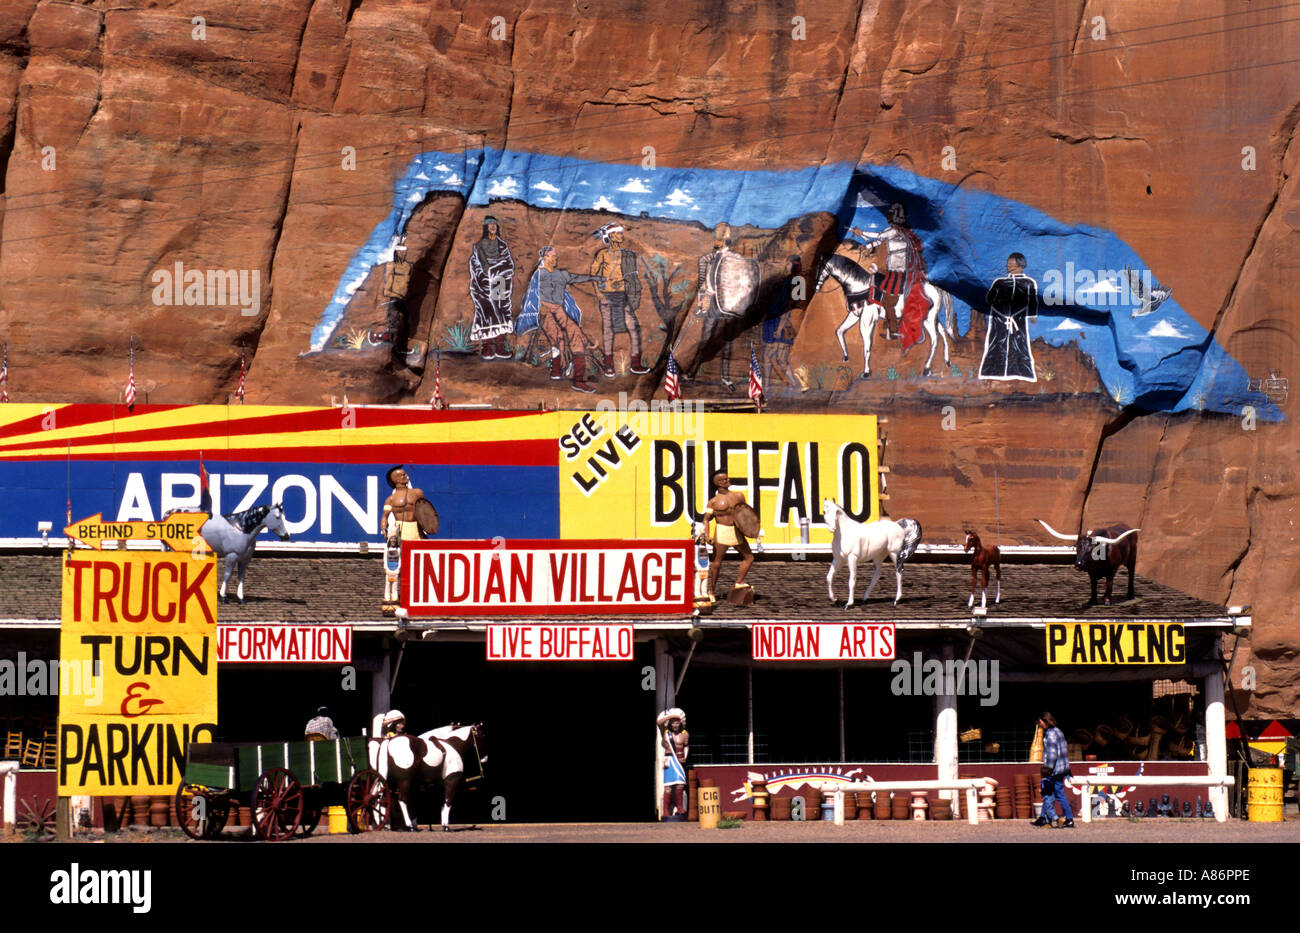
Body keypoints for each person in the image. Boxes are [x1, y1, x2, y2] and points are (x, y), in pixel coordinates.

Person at [517, 246, 603, 393]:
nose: (556, 258)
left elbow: (578, 277)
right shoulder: (538, 275)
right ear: (545, 258)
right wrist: (538, 307)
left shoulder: (561, 274)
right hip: (544, 310)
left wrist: (595, 278)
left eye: (555, 256)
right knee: (556, 337)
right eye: (553, 256)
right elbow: (531, 293)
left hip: (559, 309)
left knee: (576, 333)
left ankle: (578, 380)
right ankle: (556, 369)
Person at [849, 202, 929, 347]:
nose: (888, 215)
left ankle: (893, 330)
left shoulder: (896, 231)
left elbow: (879, 235)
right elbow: (879, 240)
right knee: (879, 286)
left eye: (891, 213)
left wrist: (862, 232)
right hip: (892, 270)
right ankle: (888, 326)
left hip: (897, 272)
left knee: (887, 302)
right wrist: (868, 245)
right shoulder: (898, 231)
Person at [590, 223, 649, 377]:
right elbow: (594, 275)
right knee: (608, 329)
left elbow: (632, 277)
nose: (622, 236)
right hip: (607, 295)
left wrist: (624, 284)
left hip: (623, 295)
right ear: (611, 236)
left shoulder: (628, 255)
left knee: (633, 327)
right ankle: (608, 365)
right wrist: (599, 294)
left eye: (621, 233)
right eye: (618, 233)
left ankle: (635, 364)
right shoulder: (602, 254)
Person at [979, 252, 1039, 381]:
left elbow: (1032, 301)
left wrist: (1033, 315)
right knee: (996, 343)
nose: (1008, 265)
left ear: (1020, 265)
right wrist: (1000, 306)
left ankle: (1020, 373)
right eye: (1008, 263)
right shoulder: (1000, 282)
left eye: (1011, 263)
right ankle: (993, 372)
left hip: (1018, 319)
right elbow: (989, 299)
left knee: (1019, 344)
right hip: (999, 318)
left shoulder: (1028, 283)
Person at [699, 471, 754, 600]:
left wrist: (750, 529)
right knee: (717, 563)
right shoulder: (713, 502)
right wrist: (707, 536)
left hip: (736, 531)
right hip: (722, 531)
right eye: (724, 479)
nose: (728, 480)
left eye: (727, 478)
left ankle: (739, 582)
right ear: (718, 483)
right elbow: (706, 519)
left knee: (749, 557)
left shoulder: (739, 496)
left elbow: (746, 514)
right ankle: (711, 591)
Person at [469, 215, 515, 360]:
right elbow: (475, 264)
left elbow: (508, 263)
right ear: (485, 228)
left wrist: (496, 270)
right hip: (483, 284)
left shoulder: (502, 245)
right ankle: (487, 346)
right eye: (490, 225)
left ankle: (500, 347)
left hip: (500, 282)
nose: (493, 227)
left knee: (501, 311)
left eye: (495, 225)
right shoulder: (479, 246)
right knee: (486, 312)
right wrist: (485, 276)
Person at [761, 255, 806, 391]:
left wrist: (780, 327)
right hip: (777, 320)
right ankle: (793, 386)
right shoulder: (795, 281)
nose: (785, 266)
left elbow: (789, 307)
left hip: (778, 321)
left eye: (788, 264)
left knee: (769, 357)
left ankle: (767, 386)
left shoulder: (792, 281)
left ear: (793, 265)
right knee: (780, 359)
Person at [1033, 711, 1075, 828]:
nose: (1039, 724)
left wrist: (1047, 769)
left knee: (1057, 794)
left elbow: (1052, 755)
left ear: (1046, 721)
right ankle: (1044, 818)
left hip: (1054, 770)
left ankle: (1069, 818)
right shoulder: (1059, 731)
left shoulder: (1050, 734)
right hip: (1062, 769)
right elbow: (1064, 751)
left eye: (1040, 722)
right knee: (1048, 793)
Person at [383, 465, 431, 543]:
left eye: (405, 474)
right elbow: (385, 517)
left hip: (418, 533)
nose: (407, 476)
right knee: (404, 554)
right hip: (401, 534)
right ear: (396, 480)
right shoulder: (390, 500)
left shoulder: (418, 493)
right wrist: (384, 529)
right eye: (403, 475)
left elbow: (426, 511)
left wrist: (428, 526)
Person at [657, 708, 689, 820]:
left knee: (680, 785)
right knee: (668, 788)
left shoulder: (685, 735)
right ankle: (666, 810)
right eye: (673, 722)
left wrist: (685, 756)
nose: (675, 725)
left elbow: (686, 746)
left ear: (680, 723)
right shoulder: (666, 733)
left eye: (677, 722)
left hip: (680, 761)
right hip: (670, 761)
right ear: (670, 723)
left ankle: (680, 807)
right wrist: (670, 716)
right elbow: (659, 722)